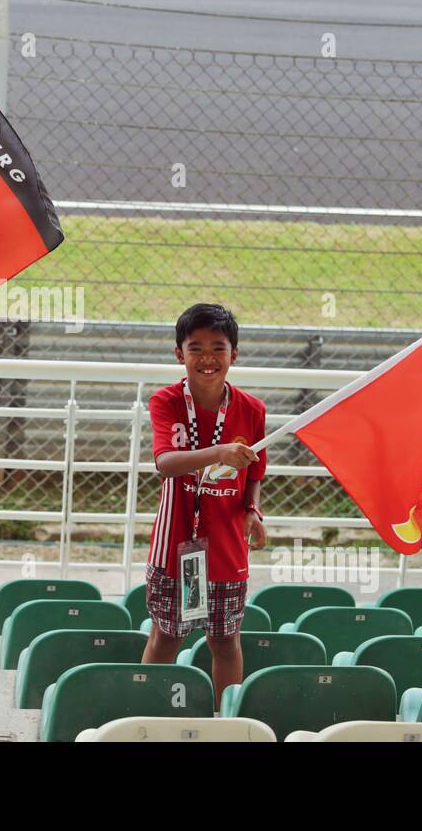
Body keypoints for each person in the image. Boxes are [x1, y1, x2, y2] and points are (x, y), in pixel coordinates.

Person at [142, 303, 268, 710]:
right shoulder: (166, 401)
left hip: (227, 550)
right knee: (168, 636)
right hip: (175, 546)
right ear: (179, 354)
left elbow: (254, 472)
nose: (208, 357)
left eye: (219, 347)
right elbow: (165, 464)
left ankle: (224, 719)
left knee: (225, 640)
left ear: (235, 353)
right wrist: (219, 452)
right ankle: (149, 714)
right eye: (196, 348)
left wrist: (253, 512)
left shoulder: (252, 409)